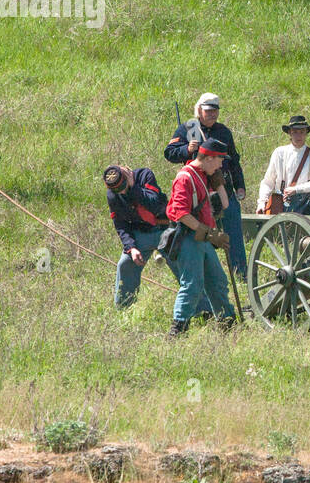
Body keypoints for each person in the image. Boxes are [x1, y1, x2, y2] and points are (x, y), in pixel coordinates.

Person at [165, 93, 246, 274]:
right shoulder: (187, 128)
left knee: (233, 231)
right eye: (208, 111)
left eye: (215, 111)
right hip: (199, 191)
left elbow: (234, 161)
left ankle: (240, 272)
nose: (212, 114)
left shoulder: (223, 131)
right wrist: (187, 149)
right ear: (199, 110)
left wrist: (240, 185)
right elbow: (169, 153)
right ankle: (206, 272)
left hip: (222, 186)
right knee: (203, 235)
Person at [166, 137, 236, 335]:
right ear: (209, 158)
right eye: (220, 160)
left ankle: (226, 322)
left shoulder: (205, 174)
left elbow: (225, 204)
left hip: (203, 237)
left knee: (218, 281)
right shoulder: (185, 177)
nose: (221, 164)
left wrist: (218, 181)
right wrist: (209, 233)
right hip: (189, 237)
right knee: (192, 284)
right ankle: (178, 328)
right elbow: (180, 213)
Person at [105, 164, 173, 308]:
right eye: (117, 190)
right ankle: (124, 308)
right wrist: (131, 248)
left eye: (123, 186)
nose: (122, 192)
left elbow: (154, 204)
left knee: (184, 264)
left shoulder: (144, 175)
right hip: (140, 234)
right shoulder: (112, 195)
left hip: (164, 229)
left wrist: (134, 187)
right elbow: (120, 223)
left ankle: (203, 308)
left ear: (128, 176)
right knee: (125, 264)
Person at [257, 114, 310, 216]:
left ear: (306, 133)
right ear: (290, 133)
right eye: (295, 132)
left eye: (302, 132)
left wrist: (296, 189)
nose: (299, 136)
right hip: (284, 202)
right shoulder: (279, 153)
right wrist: (262, 202)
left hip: (307, 202)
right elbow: (268, 182)